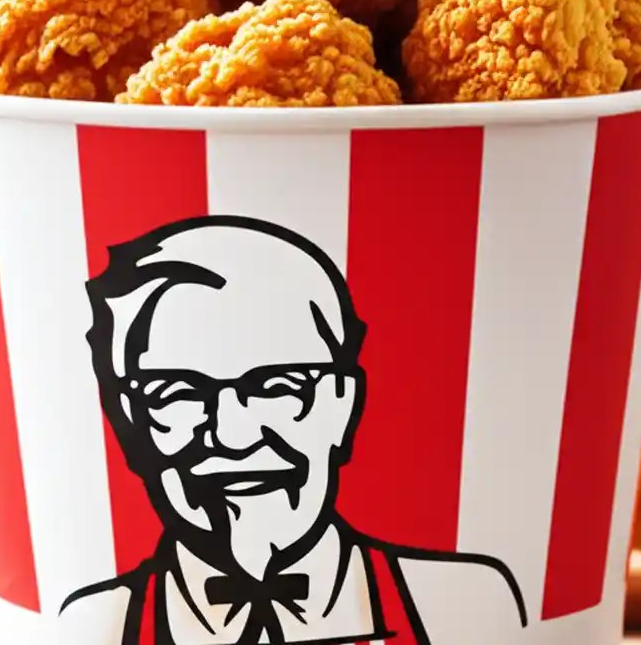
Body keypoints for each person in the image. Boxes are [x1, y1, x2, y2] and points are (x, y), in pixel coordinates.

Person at [60, 216, 526, 644]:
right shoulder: (91, 620)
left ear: (343, 404)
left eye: (278, 386)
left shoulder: (462, 601)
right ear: (129, 419)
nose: (234, 435)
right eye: (178, 392)